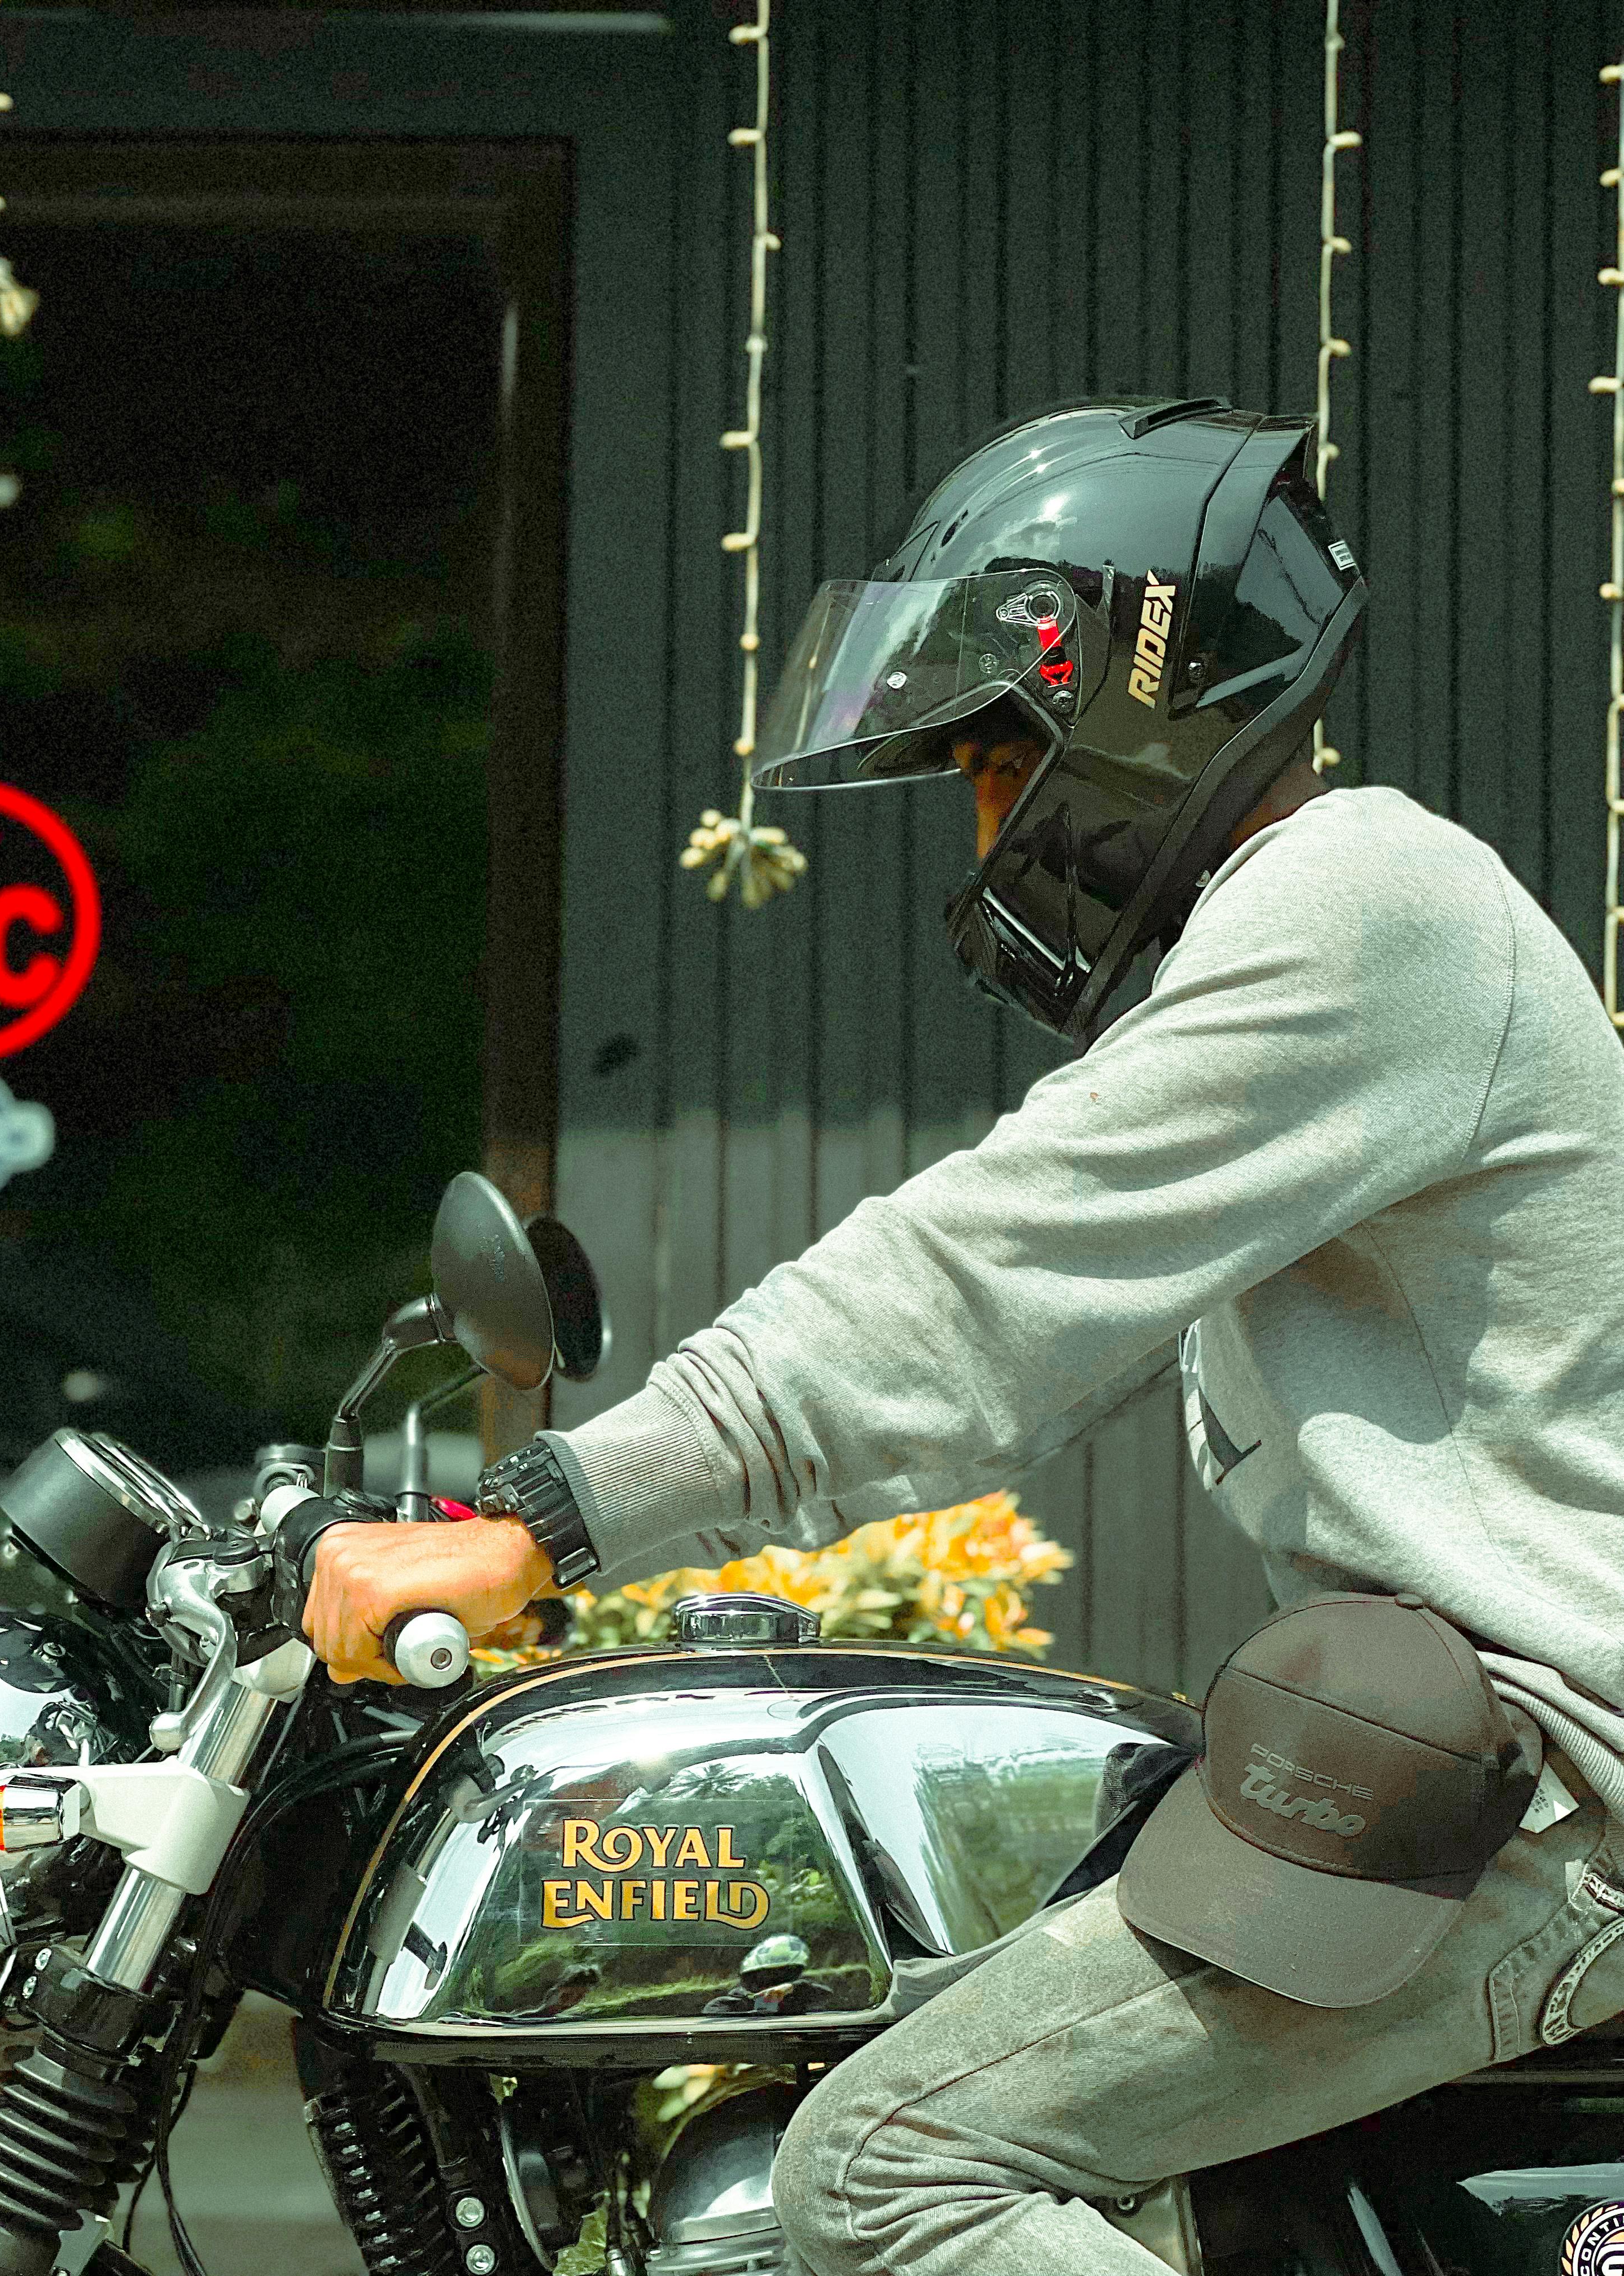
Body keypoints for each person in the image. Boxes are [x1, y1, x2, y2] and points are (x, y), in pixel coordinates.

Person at [302, 399, 1624, 2276]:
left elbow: (974, 1293)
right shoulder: (1330, 920)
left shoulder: (1366, 910)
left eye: (994, 763)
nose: (990, 823)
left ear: (1126, 704)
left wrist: (545, 1514)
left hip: (1558, 1816)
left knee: (883, 2172)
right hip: (1474, 1771)